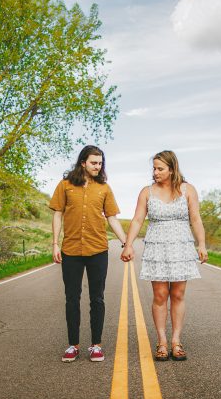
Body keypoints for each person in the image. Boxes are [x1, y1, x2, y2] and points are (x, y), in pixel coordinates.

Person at [121, 150, 207, 361]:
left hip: (181, 247)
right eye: (154, 168)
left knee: (178, 294)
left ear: (172, 169)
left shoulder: (188, 190)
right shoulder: (146, 192)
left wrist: (202, 244)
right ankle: (162, 341)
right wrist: (128, 245)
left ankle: (176, 341)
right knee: (160, 296)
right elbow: (137, 220)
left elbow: (195, 219)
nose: (155, 172)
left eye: (160, 168)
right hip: (157, 247)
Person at [49, 146, 129, 363]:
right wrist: (55, 244)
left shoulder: (104, 188)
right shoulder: (65, 186)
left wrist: (125, 242)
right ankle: (72, 345)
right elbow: (58, 214)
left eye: (101, 163)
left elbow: (112, 218)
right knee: (72, 299)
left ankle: (96, 345)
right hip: (71, 250)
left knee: (97, 298)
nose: (98, 166)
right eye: (94, 162)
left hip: (98, 250)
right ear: (83, 162)